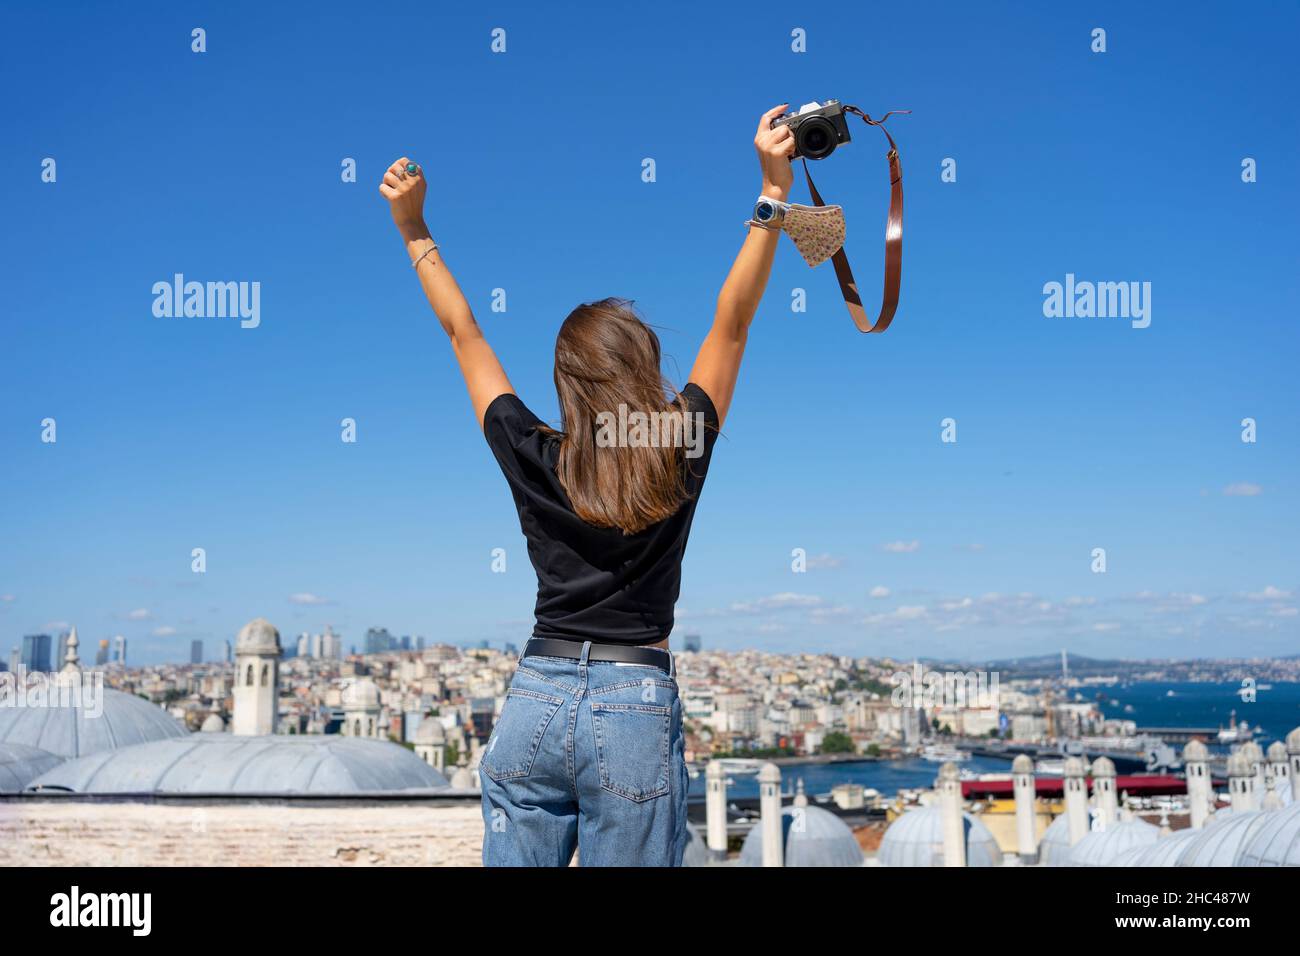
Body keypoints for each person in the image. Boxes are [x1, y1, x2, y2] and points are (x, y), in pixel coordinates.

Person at [379, 104, 797, 866]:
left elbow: (464, 334)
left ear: (565, 383)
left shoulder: (534, 452)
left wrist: (414, 229)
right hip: (632, 704)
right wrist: (773, 191)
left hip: (534, 696)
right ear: (644, 367)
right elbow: (730, 325)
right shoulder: (676, 442)